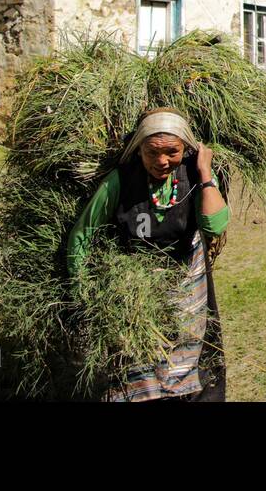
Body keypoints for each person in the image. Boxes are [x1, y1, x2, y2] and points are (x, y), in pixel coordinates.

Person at [65, 107, 229, 401]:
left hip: (188, 285)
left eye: (172, 151)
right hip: (135, 288)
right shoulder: (120, 181)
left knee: (193, 363)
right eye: (152, 152)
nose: (162, 161)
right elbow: (82, 235)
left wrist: (205, 173)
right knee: (137, 367)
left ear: (186, 148)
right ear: (138, 148)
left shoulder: (193, 174)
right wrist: (83, 293)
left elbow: (214, 224)